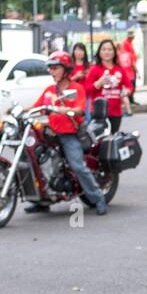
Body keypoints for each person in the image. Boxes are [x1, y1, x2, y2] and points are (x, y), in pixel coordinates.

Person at [27, 50, 108, 216]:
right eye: (50, 68)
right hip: (51, 133)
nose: (52, 71)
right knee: (34, 160)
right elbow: (36, 107)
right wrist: (19, 110)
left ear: (65, 70)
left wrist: (67, 110)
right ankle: (42, 201)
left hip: (70, 134)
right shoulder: (49, 90)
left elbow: (79, 109)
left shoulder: (76, 88)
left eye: (55, 68)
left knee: (78, 166)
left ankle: (98, 198)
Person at [86, 39, 133, 134]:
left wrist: (126, 92)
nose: (107, 52)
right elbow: (87, 90)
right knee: (99, 142)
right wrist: (98, 83)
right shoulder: (94, 69)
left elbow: (130, 87)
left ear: (114, 52)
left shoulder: (120, 69)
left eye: (110, 49)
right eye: (103, 49)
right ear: (99, 52)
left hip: (116, 112)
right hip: (98, 113)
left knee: (112, 140)